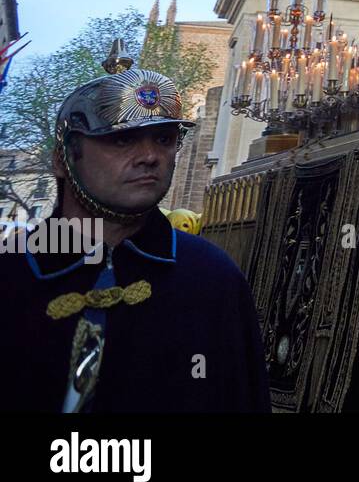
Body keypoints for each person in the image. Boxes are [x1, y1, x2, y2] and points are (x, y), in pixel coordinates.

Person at [0, 65, 270, 412]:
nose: (150, 157)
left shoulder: (213, 279)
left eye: (164, 139)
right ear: (62, 160)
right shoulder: (10, 272)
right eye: (122, 139)